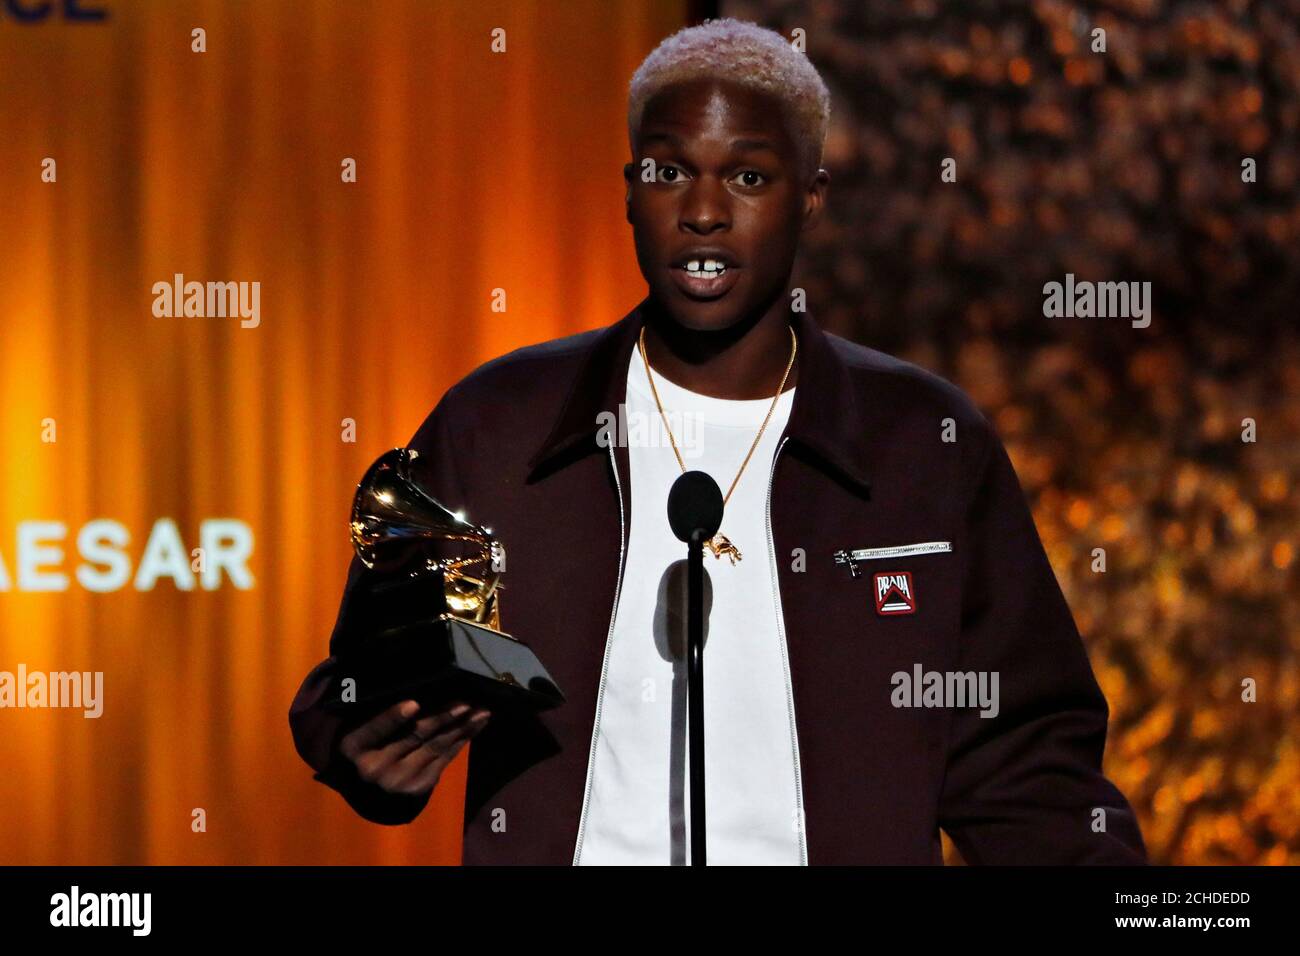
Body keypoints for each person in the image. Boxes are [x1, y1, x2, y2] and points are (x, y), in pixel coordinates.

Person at [289, 17, 1147, 865]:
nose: (702, 212)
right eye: (670, 173)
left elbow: (1026, 767)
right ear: (630, 190)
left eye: (747, 175)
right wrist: (369, 750)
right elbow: (358, 679)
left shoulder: (925, 444)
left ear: (811, 194)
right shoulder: (500, 422)